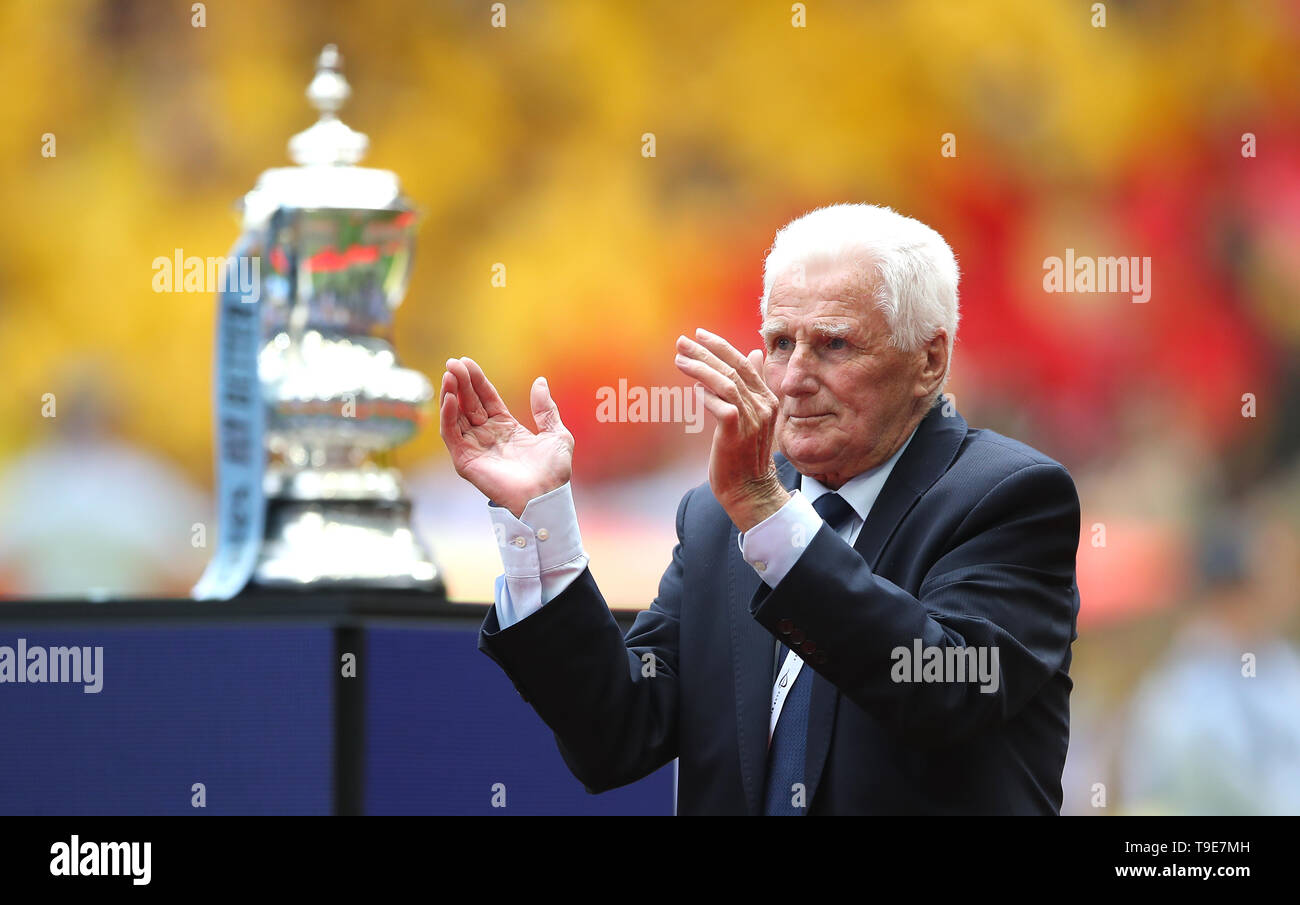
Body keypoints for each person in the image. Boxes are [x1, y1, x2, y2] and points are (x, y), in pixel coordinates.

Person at [439, 203, 1081, 815]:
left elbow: (946, 689)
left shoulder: (1009, 497)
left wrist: (770, 517)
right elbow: (619, 737)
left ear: (929, 360)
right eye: (779, 343)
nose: (794, 377)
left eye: (834, 345)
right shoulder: (720, 517)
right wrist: (540, 520)